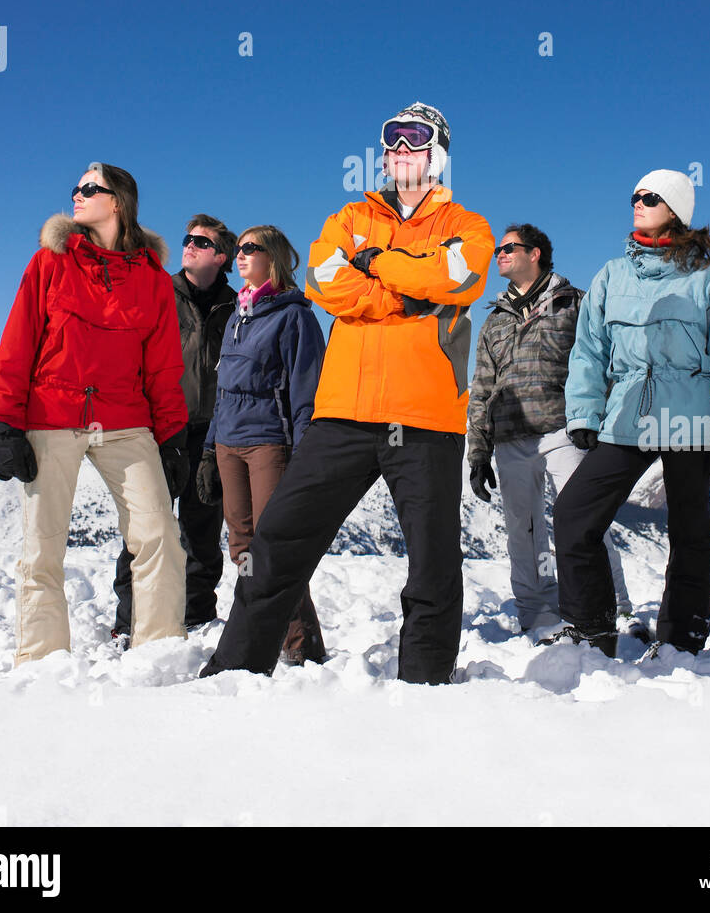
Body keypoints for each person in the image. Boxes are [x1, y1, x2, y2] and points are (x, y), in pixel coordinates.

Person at [200, 102, 495, 685]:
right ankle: (233, 673)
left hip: (424, 415)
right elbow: (324, 280)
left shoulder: (467, 226)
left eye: (414, 137)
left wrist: (377, 262)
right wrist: (403, 292)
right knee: (277, 543)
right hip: (343, 413)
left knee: (433, 562)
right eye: (390, 138)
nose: (399, 148)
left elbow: (457, 277)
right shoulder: (349, 218)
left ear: (437, 152)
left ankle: (425, 685)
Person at [0, 163, 189, 664]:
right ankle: (41, 662)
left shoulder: (154, 281)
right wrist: (3, 422)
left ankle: (158, 653)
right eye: (75, 188)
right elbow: (18, 342)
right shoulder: (49, 263)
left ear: (117, 201)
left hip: (126, 421)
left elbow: (164, 365)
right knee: (42, 550)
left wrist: (173, 435)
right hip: (52, 417)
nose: (77, 195)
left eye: (90, 188)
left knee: (159, 534)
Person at [555, 169, 710, 658]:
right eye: (635, 195)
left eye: (650, 196)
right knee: (572, 516)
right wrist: (584, 413)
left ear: (676, 211)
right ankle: (592, 630)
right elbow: (588, 350)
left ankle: (681, 640)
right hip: (627, 416)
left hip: (691, 420)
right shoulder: (611, 275)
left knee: (691, 533)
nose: (637, 202)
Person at [467, 223, 638, 642]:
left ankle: (613, 607)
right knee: (523, 533)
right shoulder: (494, 321)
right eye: (497, 250)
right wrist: (477, 451)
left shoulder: (575, 304)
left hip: (567, 432)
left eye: (508, 248)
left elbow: (606, 365)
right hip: (510, 437)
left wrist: (601, 422)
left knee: (585, 524)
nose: (499, 254)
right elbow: (482, 388)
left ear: (536, 253)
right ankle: (538, 614)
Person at [195, 226, 327, 666]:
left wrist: (307, 458)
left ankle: (301, 647)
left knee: (275, 549)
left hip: (270, 442)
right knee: (242, 548)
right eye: (238, 250)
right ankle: (276, 638)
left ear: (272, 257)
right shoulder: (238, 315)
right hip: (230, 442)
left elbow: (308, 393)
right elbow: (223, 390)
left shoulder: (295, 317)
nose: (240, 255)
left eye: (250, 248)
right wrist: (211, 450)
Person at [111, 214, 238, 642]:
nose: (189, 246)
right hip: (159, 429)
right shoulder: (157, 293)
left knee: (202, 531)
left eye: (201, 242)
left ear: (222, 257)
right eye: (187, 239)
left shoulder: (237, 307)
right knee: (147, 528)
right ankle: (129, 621)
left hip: (211, 433)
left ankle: (198, 618)